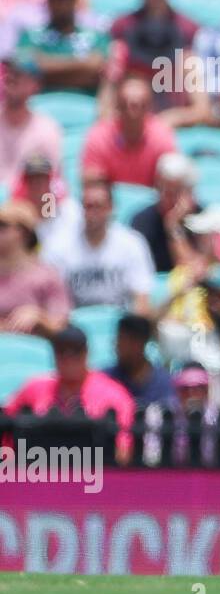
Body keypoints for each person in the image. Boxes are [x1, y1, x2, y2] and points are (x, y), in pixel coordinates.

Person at [5, 324, 135, 464]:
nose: (68, 358)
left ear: (86, 353)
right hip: (40, 474)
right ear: (53, 354)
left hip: (95, 475)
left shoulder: (113, 393)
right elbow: (5, 430)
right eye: (61, 351)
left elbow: (124, 451)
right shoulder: (34, 388)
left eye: (75, 351)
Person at [42, 178, 155, 312]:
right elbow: (52, 299)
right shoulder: (58, 245)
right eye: (88, 206)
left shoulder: (132, 243)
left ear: (110, 208)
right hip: (74, 323)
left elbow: (141, 297)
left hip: (120, 321)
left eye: (99, 206)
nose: (93, 213)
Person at [13, 0, 110, 96]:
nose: (60, 4)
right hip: (40, 107)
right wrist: (81, 65)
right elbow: (28, 69)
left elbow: (96, 66)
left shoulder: (94, 36)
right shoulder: (31, 35)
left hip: (84, 105)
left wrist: (46, 66)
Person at [80, 75, 179, 187]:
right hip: (111, 202)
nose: (132, 112)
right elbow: (92, 185)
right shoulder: (99, 136)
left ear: (149, 107)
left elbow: (171, 184)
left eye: (139, 105)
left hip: (151, 201)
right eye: (125, 105)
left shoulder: (162, 136)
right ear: (117, 106)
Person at [0, 198, 68, 335]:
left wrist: (39, 317)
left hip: (32, 350)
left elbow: (62, 324)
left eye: (2, 226)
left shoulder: (46, 276)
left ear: (23, 232)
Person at [0, 54, 61, 187]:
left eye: (19, 73)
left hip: (28, 203)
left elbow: (51, 183)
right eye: (8, 72)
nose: (11, 77)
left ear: (36, 86)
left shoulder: (47, 129)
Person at [106, 312, 176, 408]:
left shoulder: (163, 381)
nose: (116, 346)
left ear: (138, 343)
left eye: (121, 340)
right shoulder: (107, 378)